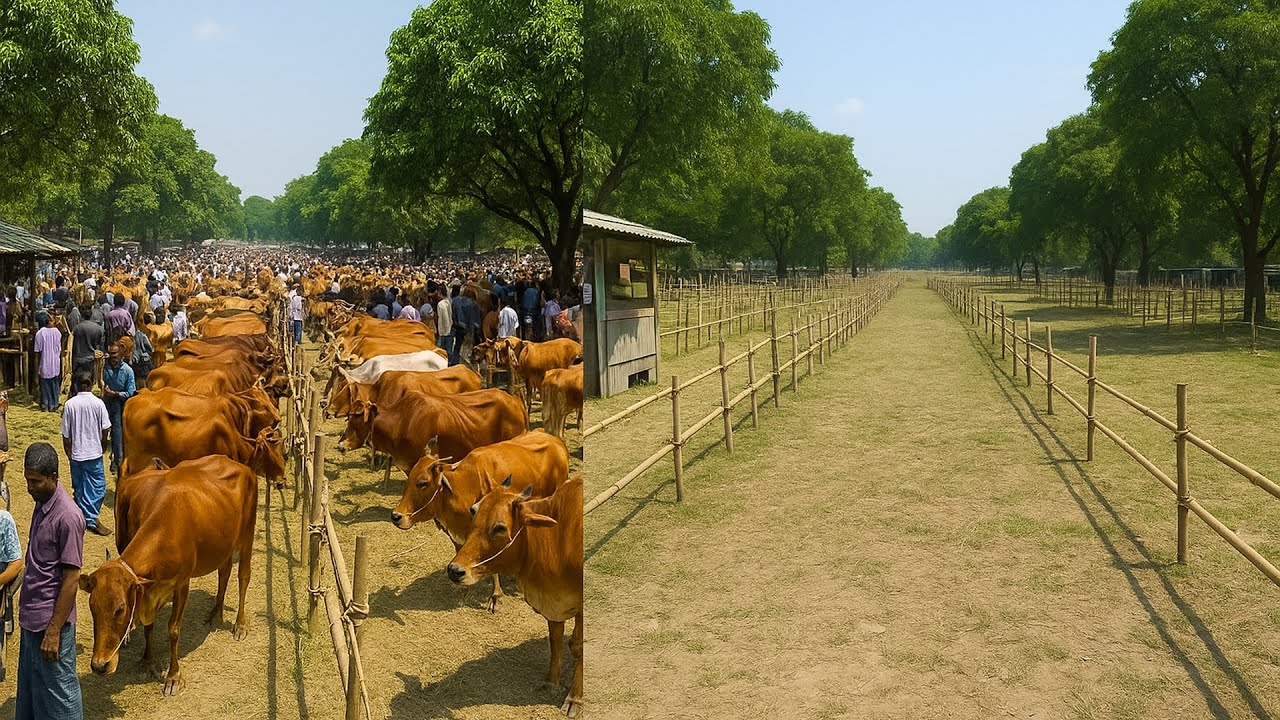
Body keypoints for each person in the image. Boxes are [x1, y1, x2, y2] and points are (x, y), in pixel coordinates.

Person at [16, 442, 84, 720]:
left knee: (60, 697)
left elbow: (71, 579)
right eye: (27, 480)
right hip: (31, 621)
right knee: (34, 694)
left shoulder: (67, 517)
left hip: (50, 625)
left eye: (36, 481)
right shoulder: (42, 502)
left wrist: (54, 632)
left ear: (54, 477)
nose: (30, 487)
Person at [61, 372, 111, 535]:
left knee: (80, 488)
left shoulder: (69, 405)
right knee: (98, 487)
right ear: (91, 384)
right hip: (93, 453)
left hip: (76, 454)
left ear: (76, 385)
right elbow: (105, 429)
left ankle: (79, 518)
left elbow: (65, 434)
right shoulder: (98, 403)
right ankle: (89, 519)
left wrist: (68, 452)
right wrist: (103, 447)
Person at [101, 344, 135, 478]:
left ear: (120, 354)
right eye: (111, 354)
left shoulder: (127, 370)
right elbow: (99, 381)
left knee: (117, 435)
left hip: (120, 404)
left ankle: (117, 463)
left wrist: (116, 393)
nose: (113, 357)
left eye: (115, 354)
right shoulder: (104, 368)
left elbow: (131, 391)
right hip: (106, 402)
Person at [33, 314, 62, 413]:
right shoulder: (57, 333)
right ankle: (54, 404)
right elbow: (59, 350)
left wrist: (36, 370)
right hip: (55, 363)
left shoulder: (39, 334)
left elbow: (37, 353)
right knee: (54, 385)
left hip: (44, 363)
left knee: (45, 386)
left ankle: (45, 404)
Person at [70, 307, 104, 386]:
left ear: (81, 315)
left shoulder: (76, 329)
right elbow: (101, 347)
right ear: (91, 315)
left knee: (77, 384)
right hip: (91, 360)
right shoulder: (99, 329)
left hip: (77, 361)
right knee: (89, 384)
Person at [436, 288, 456, 366]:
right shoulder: (449, 302)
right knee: (449, 350)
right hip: (449, 328)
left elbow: (443, 317)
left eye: (438, 293)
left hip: (444, 330)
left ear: (441, 293)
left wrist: (443, 330)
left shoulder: (440, 304)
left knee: (442, 350)